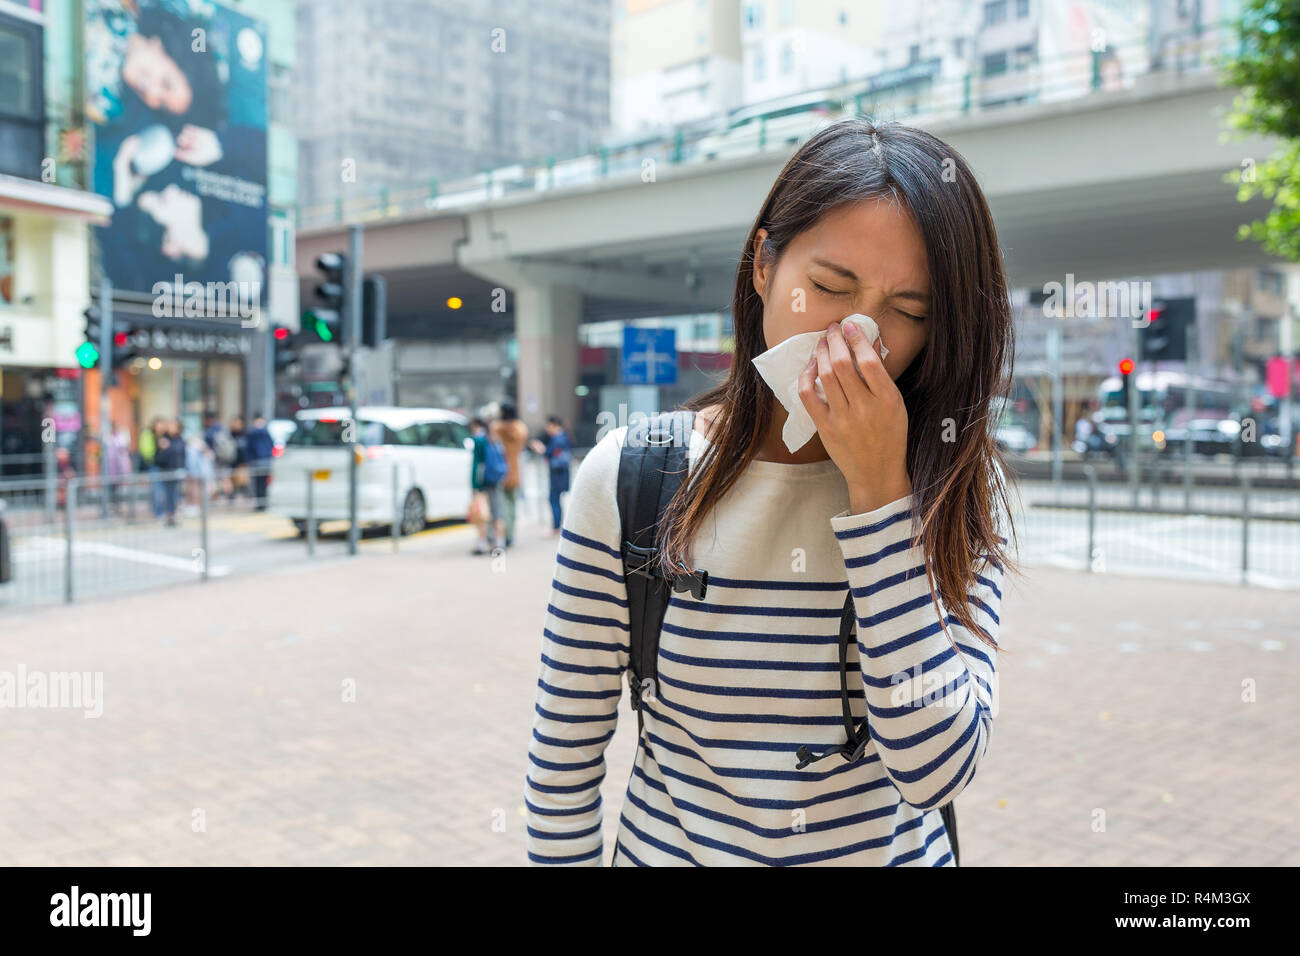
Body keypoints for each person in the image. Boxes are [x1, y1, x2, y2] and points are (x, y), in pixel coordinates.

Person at [525, 119, 1021, 867]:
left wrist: (881, 497)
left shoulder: (952, 484)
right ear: (764, 266)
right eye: (827, 287)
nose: (862, 333)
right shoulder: (635, 477)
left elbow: (935, 770)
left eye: (908, 312)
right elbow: (564, 759)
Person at [489, 401, 529, 548]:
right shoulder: (520, 428)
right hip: (515, 470)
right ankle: (510, 536)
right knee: (512, 506)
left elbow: (492, 440)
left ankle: (502, 535)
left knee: (501, 506)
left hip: (500, 470)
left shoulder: (497, 428)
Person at [528, 415, 572, 535]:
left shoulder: (558, 439)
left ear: (554, 425)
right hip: (560, 474)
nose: (547, 429)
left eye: (548, 426)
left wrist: (541, 449)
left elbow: (551, 454)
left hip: (558, 474)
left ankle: (556, 526)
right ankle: (557, 525)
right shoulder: (562, 437)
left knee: (554, 499)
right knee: (556, 499)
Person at [468, 417, 507, 555]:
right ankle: (499, 543)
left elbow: (476, 465)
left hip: (483, 483)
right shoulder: (498, 442)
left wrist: (474, 485)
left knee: (482, 513)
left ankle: (482, 543)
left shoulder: (479, 441)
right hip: (496, 481)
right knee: (497, 513)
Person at [153, 418, 186, 526]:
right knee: (167, 495)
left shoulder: (180, 439)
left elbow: (182, 455)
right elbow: (158, 457)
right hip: (166, 471)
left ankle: (174, 515)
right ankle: (168, 515)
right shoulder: (164, 439)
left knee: (176, 495)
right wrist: (164, 448)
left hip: (177, 471)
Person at [244, 413, 275, 510]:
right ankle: (263, 503)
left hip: (256, 462)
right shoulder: (266, 432)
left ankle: (260, 504)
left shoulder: (252, 433)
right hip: (266, 461)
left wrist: (248, 460)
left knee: (257, 484)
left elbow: (248, 448)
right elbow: (272, 446)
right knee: (264, 483)